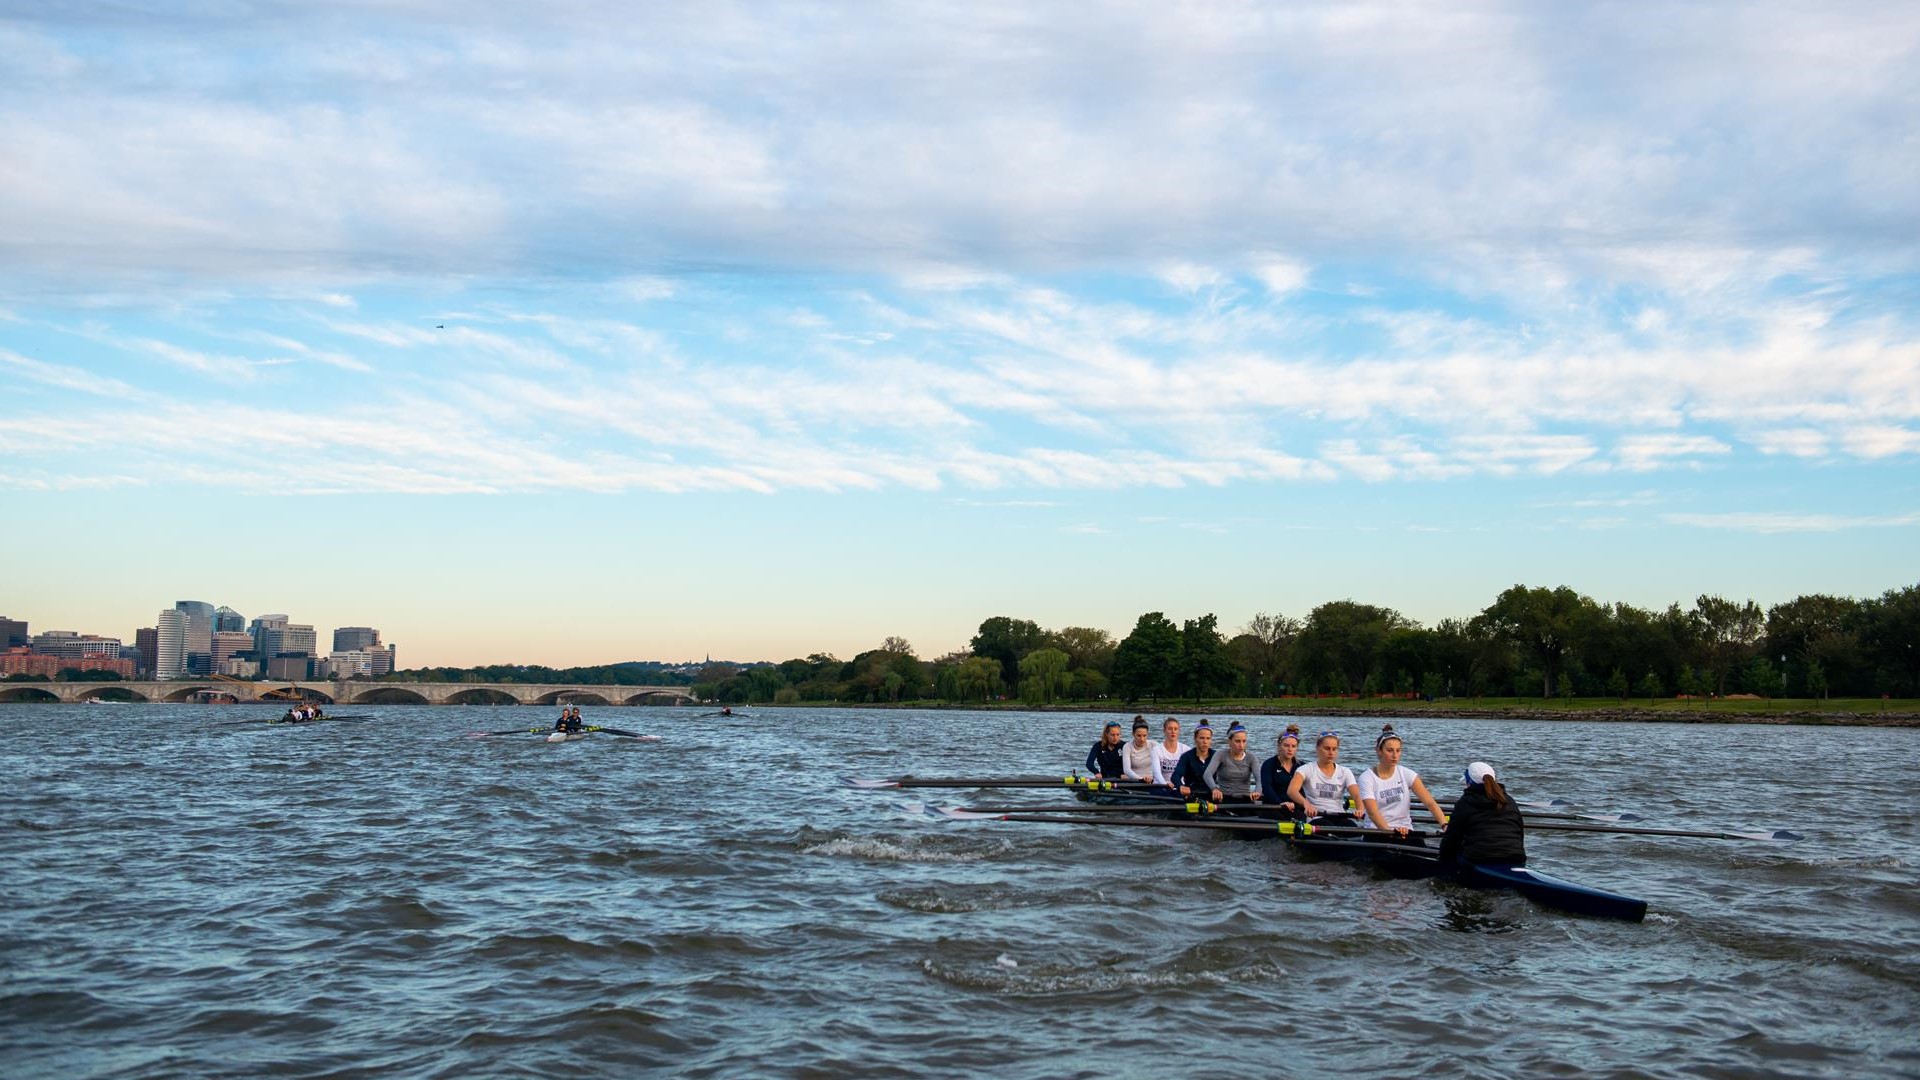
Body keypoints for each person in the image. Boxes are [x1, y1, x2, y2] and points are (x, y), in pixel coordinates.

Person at [1356, 724, 1448, 840]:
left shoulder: (1407, 774)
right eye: (1390, 750)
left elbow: (1430, 803)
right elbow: (1373, 813)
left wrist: (1444, 825)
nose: (1395, 755)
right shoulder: (1367, 778)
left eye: (1398, 750)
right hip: (1377, 832)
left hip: (1405, 831)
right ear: (1379, 751)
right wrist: (1391, 833)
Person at [1437, 762, 1527, 868]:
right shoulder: (1509, 801)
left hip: (1480, 858)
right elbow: (1520, 832)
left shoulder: (1465, 802)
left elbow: (1452, 838)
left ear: (1469, 782)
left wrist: (1442, 860)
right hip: (1515, 856)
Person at [1286, 730, 1362, 824]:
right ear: (1317, 748)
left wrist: (1360, 809)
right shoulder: (1305, 769)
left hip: (1339, 815)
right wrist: (1306, 804)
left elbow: (1356, 795)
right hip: (1316, 817)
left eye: (1334, 749)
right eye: (1327, 748)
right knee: (1326, 825)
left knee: (1352, 826)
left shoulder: (1345, 772)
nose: (1331, 752)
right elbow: (1292, 791)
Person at [1202, 723, 1263, 806]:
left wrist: (1257, 791)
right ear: (1229, 742)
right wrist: (1214, 789)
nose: (1241, 745)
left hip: (1245, 799)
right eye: (1237, 741)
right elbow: (1207, 774)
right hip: (1224, 799)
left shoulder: (1251, 757)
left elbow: (1259, 779)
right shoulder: (1220, 755)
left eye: (1244, 741)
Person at [1259, 725, 1306, 819]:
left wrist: (1300, 804)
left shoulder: (1302, 766)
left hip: (1295, 808)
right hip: (1273, 807)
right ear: (1279, 746)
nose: (1290, 749)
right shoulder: (1269, 764)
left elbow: (1305, 791)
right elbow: (1267, 788)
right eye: (1286, 745)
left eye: (1293, 746)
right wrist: (1280, 803)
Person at [1171, 720, 1216, 799]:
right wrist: (1181, 786)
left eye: (1208, 738)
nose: (1205, 742)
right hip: (1192, 795)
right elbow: (1175, 776)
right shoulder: (1186, 756)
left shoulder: (1216, 756)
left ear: (1211, 740)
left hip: (1213, 795)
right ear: (1195, 739)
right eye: (1201, 738)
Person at [1150, 717, 1188, 789]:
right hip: (1161, 786)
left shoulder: (1186, 749)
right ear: (1164, 731)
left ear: (1179, 731)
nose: (1173, 731)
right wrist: (1166, 784)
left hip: (1180, 786)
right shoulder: (1156, 750)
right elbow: (1157, 774)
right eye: (1170, 729)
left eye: (1175, 729)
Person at [1119, 717, 1157, 783]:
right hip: (1135, 781)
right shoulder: (1127, 747)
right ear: (1133, 734)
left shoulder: (1154, 745)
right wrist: (1142, 779)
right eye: (1139, 736)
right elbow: (1127, 770)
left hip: (1152, 780)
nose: (1142, 739)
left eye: (1144, 735)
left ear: (1148, 734)